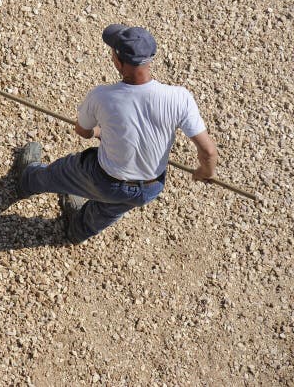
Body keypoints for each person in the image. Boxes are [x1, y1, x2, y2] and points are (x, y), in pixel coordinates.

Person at [16, 24, 218, 244]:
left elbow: (82, 131)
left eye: (113, 52)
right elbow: (208, 152)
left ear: (119, 63)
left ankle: (26, 181)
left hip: (105, 180)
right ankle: (77, 231)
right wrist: (205, 171)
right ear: (150, 59)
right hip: (149, 188)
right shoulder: (180, 97)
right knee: (109, 210)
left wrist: (97, 132)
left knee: (60, 173)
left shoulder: (102, 96)